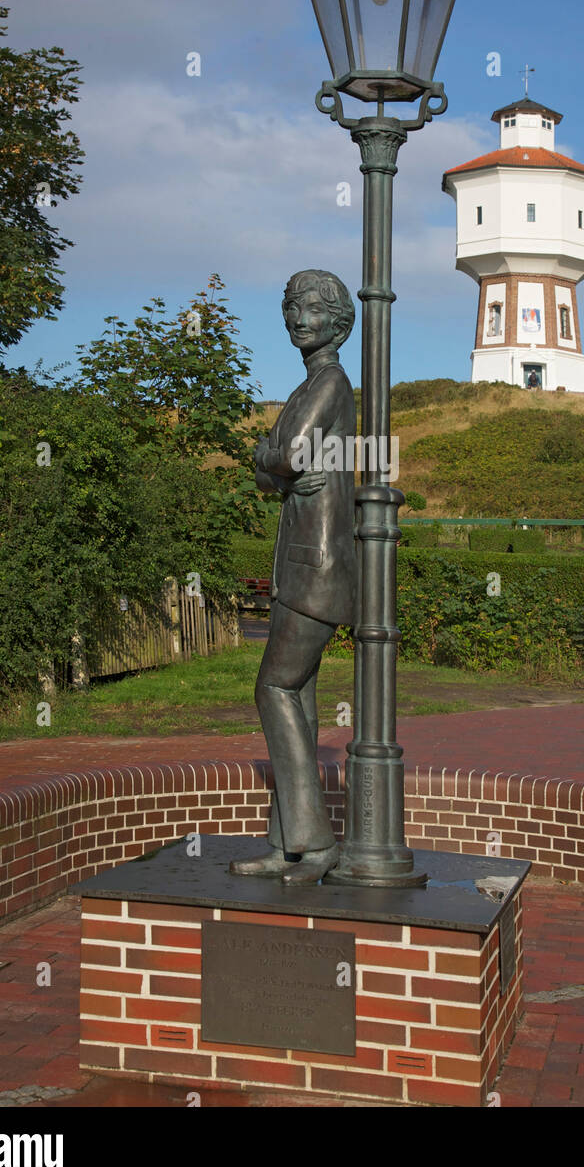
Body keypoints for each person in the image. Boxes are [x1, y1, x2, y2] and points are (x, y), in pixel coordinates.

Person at [229, 269, 357, 885]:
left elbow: (283, 456)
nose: (297, 319)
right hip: (298, 568)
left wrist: (266, 457)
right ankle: (288, 847)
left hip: (317, 566)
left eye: (310, 309)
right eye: (291, 308)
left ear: (338, 322)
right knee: (297, 700)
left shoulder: (328, 383)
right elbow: (275, 473)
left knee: (273, 689)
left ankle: (317, 840)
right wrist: (273, 466)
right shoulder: (308, 386)